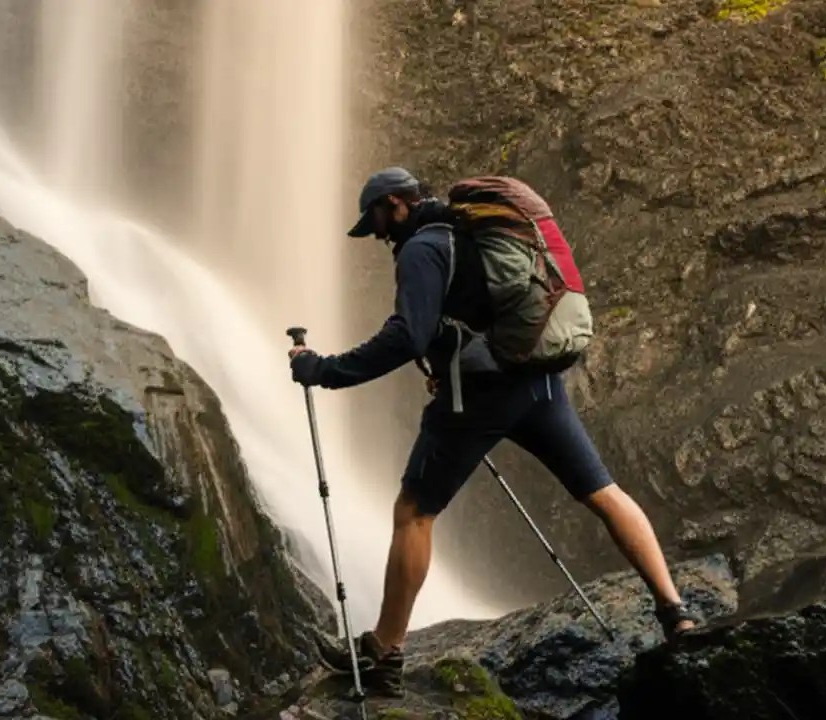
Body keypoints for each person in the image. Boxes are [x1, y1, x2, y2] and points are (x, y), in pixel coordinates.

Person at [288, 166, 698, 697]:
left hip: (480, 398)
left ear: (396, 204)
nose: (379, 236)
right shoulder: (467, 233)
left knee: (413, 513)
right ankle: (676, 612)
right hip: (540, 384)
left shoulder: (421, 249)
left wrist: (325, 370)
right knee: (602, 492)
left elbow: (406, 336)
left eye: (378, 222)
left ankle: (384, 652)